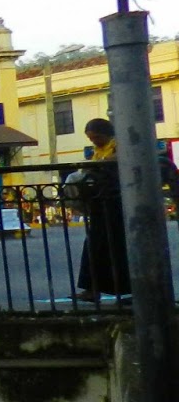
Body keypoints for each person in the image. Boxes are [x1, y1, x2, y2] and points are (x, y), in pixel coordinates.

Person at [76, 117, 129, 300]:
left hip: (116, 202)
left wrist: (103, 162)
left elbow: (121, 159)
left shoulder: (117, 145)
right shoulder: (97, 152)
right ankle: (92, 288)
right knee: (93, 245)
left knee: (117, 246)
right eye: (91, 138)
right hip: (101, 203)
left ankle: (125, 289)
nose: (94, 141)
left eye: (96, 137)